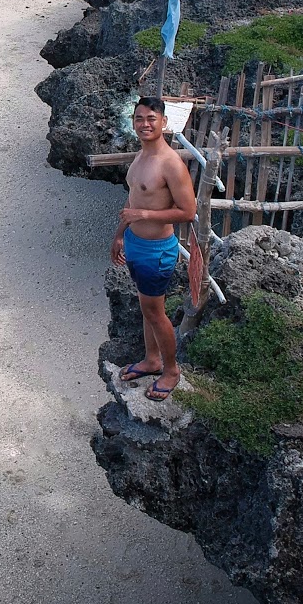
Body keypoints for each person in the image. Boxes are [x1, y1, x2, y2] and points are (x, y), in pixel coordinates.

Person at [110, 96, 197, 401]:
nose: (145, 124)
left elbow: (188, 212)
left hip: (156, 250)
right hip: (135, 243)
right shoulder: (140, 157)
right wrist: (120, 234)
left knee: (155, 312)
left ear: (164, 123)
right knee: (147, 307)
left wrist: (143, 216)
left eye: (151, 119)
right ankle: (151, 359)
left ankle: (171, 370)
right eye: (139, 119)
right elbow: (134, 200)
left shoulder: (171, 164)